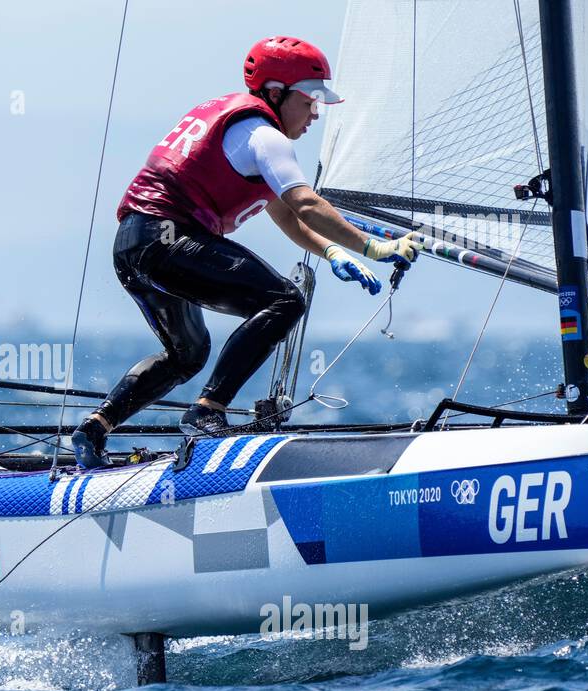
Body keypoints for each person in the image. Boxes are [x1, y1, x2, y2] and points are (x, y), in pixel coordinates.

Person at [72, 36, 421, 468]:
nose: (316, 113)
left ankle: (95, 427)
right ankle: (207, 413)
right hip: (165, 239)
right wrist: (375, 246)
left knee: (188, 354)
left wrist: (332, 252)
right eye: (311, 99)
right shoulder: (265, 136)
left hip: (133, 244)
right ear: (275, 92)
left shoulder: (239, 129)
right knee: (284, 300)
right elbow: (306, 203)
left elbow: (288, 217)